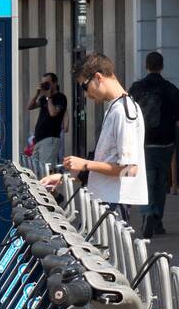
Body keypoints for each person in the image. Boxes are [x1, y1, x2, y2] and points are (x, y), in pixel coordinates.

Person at [42, 54, 147, 220]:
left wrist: (85, 164)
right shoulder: (116, 109)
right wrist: (64, 177)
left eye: (84, 87)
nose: (85, 95)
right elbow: (107, 160)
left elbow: (130, 169)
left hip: (113, 202)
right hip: (106, 200)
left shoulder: (124, 111)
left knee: (106, 247)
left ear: (98, 77)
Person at [128, 51, 179, 239]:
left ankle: (147, 212)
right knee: (161, 180)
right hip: (165, 143)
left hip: (143, 143)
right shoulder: (171, 89)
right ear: (162, 66)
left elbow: (128, 117)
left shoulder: (136, 88)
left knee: (146, 180)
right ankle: (157, 219)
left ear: (146, 66)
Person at [27, 71, 67, 176]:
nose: (46, 85)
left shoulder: (60, 97)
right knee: (34, 170)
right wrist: (37, 93)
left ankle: (49, 192)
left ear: (54, 83)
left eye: (48, 83)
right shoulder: (43, 98)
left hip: (50, 138)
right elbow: (30, 107)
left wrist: (49, 97)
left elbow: (53, 113)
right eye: (43, 83)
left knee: (46, 172)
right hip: (39, 139)